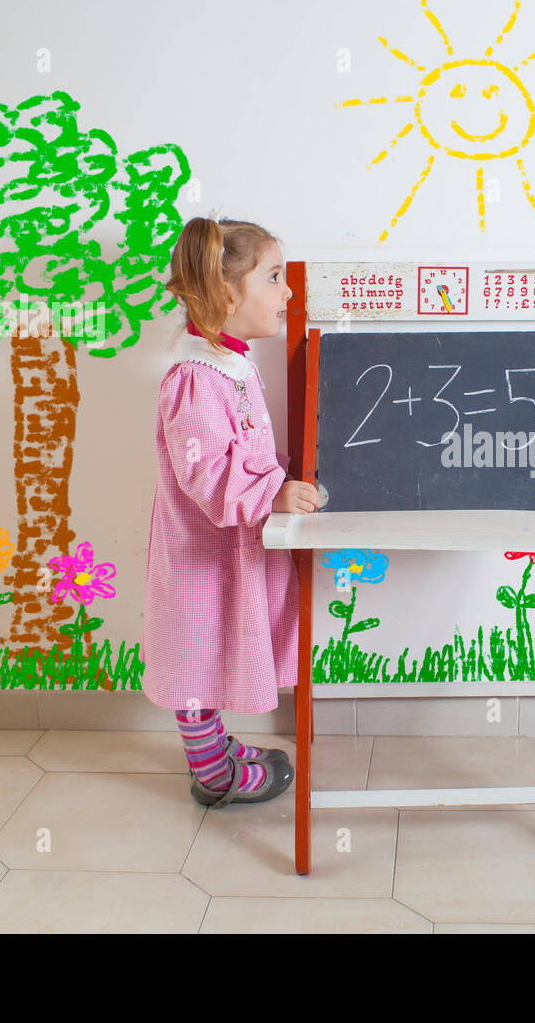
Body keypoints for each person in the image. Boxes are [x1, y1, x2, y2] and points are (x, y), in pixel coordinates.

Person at [141, 216, 321, 807]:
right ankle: (212, 773)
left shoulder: (233, 368)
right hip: (199, 552)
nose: (288, 291)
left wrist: (280, 474)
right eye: (273, 277)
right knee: (197, 653)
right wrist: (271, 491)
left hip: (231, 546)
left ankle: (214, 745)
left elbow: (242, 452)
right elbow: (208, 472)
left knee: (219, 645)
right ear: (226, 294)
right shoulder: (195, 378)